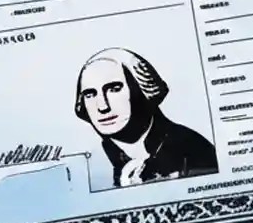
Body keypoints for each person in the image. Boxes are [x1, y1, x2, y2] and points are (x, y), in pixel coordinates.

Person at [75, 48, 217, 186]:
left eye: (114, 89)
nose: (102, 106)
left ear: (144, 90)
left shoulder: (194, 150)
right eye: (89, 94)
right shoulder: (84, 164)